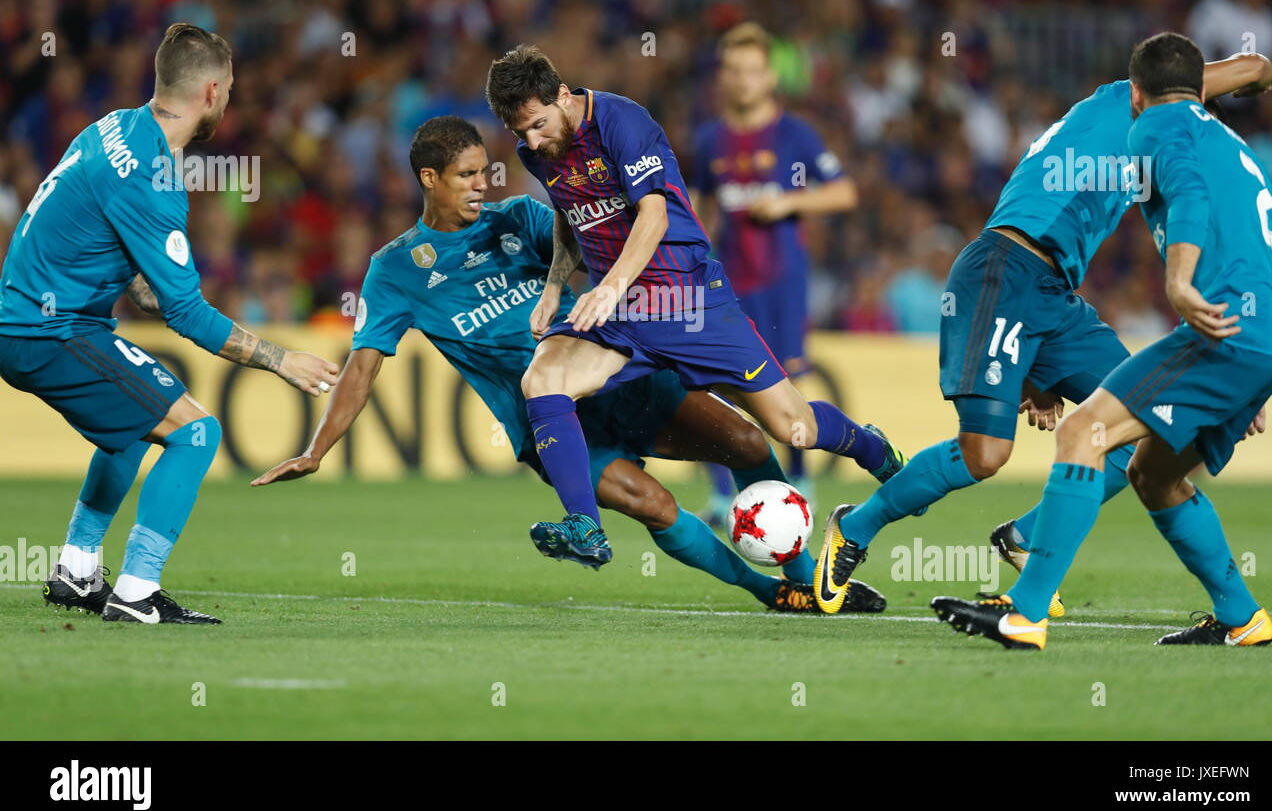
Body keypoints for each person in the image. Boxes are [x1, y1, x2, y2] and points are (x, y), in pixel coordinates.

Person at [252, 116, 885, 614]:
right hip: (550, 424)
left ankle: (810, 581)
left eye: (485, 172)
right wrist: (316, 450)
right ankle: (770, 591)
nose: (482, 185)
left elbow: (592, 252)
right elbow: (362, 370)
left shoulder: (521, 219)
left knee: (748, 442)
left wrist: (592, 279)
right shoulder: (396, 270)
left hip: (619, 375)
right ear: (429, 179)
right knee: (654, 505)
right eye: (467, 175)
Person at [813, 48, 1272, 615]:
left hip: (1056, 295)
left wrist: (1226, 373)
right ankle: (854, 529)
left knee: (1141, 425)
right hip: (1004, 269)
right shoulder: (1129, 102)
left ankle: (1025, 539)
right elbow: (1251, 67)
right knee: (985, 454)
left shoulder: (1162, 134)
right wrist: (1261, 80)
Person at [933, 32, 1272, 649]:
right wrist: (1252, 368)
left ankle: (1025, 613)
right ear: (1200, 90)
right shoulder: (1228, 142)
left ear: (1135, 93)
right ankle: (1242, 617)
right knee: (1154, 476)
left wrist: (1179, 282)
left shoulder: (1152, 127)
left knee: (1084, 432)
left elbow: (1188, 197)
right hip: (1266, 336)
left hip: (1225, 332)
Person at [485, 44, 904, 569]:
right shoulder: (539, 150)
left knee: (793, 425)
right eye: (520, 132)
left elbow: (654, 217)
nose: (532, 141)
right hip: (618, 315)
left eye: (539, 125)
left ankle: (872, 449)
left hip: (686, 301)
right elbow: (571, 215)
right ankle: (585, 526)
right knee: (542, 379)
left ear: (563, 96)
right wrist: (554, 286)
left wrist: (610, 286)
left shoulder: (621, 121)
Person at [0, 23, 339, 624]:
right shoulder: (154, 177)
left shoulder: (112, 126)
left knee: (132, 427)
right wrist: (282, 359)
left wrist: (143, 290)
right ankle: (136, 591)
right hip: (51, 333)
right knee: (195, 434)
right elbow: (184, 313)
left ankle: (77, 572)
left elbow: (107, 250)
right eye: (229, 90)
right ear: (210, 92)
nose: (230, 101)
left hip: (31, 321)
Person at [691, 22, 857, 516]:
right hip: (726, 281)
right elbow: (699, 203)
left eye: (753, 71)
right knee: (711, 385)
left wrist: (787, 202)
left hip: (782, 277)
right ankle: (722, 495)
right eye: (734, 70)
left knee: (788, 385)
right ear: (723, 76)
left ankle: (800, 486)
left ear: (769, 78)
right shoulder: (708, 140)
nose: (743, 80)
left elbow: (844, 192)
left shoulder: (794, 134)